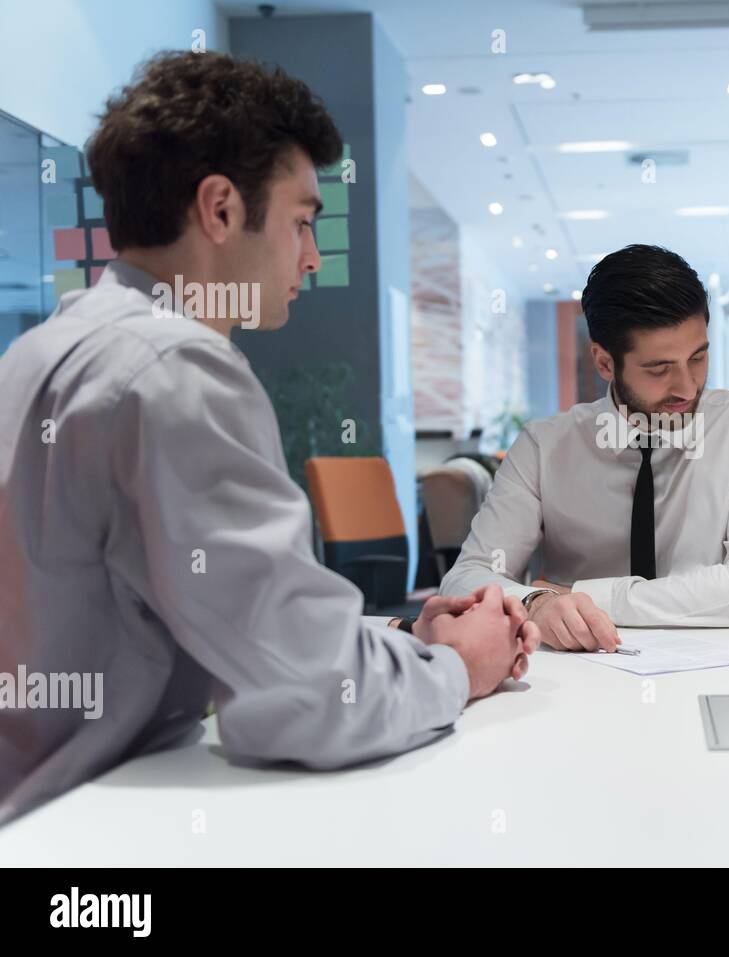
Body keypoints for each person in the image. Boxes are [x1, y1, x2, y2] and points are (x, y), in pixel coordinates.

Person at [0, 52, 537, 825]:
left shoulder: (50, 347)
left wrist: (403, 636)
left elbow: (227, 621)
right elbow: (306, 700)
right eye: (301, 221)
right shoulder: (177, 370)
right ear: (219, 209)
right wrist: (460, 663)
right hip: (91, 832)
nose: (312, 257)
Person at [440, 244, 729, 651]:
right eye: (659, 368)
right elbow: (468, 576)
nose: (687, 386)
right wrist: (536, 601)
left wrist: (578, 594)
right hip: (577, 668)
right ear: (605, 363)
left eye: (697, 358)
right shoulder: (543, 447)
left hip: (718, 660)